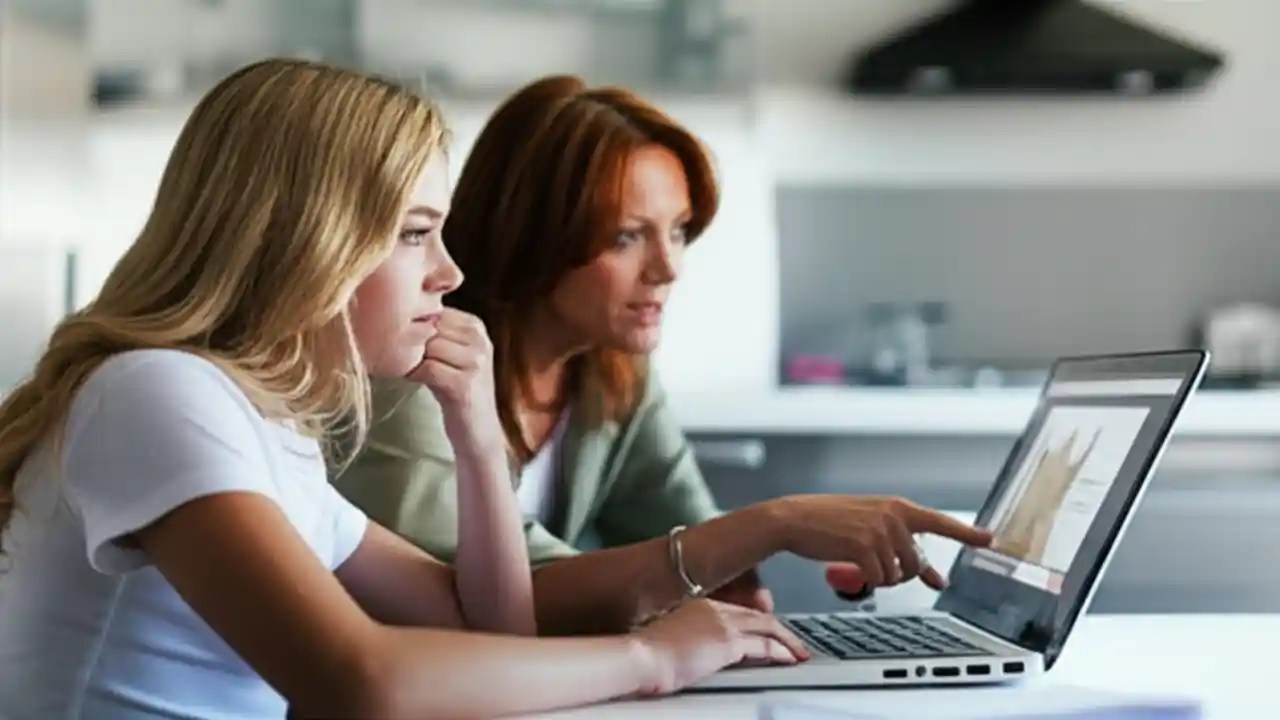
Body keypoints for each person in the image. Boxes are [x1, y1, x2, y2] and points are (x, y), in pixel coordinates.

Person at [0, 58, 818, 719]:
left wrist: (474, 435)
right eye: (416, 234)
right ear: (307, 241)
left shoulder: (264, 429)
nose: (450, 274)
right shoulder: (158, 394)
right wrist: (654, 659)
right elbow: (361, 680)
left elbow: (492, 633)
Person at [332, 74, 994, 636]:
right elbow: (487, 599)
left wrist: (751, 569)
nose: (668, 268)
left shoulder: (611, 371)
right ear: (530, 233)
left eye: (678, 231)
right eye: (626, 237)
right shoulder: (414, 364)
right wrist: (772, 524)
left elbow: (693, 537)